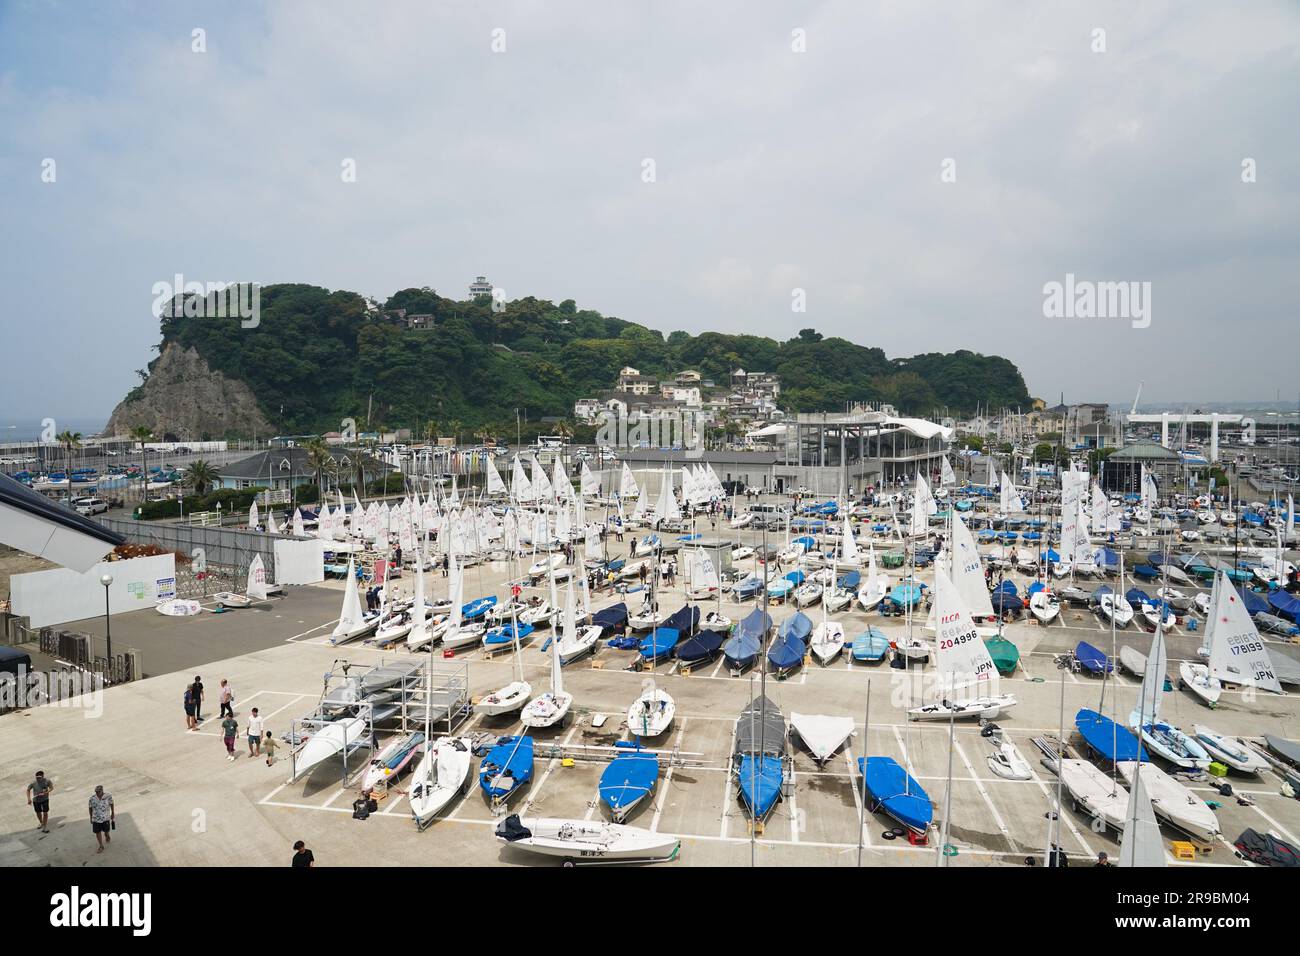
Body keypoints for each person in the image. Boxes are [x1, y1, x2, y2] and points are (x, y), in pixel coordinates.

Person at [88, 785, 114, 853]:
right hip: (96, 819)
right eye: (96, 792)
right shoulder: (92, 798)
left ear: (102, 791)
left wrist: (113, 813)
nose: (97, 793)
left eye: (98, 791)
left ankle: (107, 834)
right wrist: (90, 817)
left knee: (106, 830)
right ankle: (101, 845)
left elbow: (111, 803)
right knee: (97, 832)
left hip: (105, 818)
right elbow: (90, 808)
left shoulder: (108, 796)